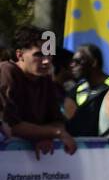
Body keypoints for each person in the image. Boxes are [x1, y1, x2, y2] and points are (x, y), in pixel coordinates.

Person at [0, 25, 78, 160]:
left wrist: (45, 135)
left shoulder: (45, 78)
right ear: (19, 55)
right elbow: (12, 126)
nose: (47, 61)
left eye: (49, 55)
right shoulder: (6, 71)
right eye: (39, 54)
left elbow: (57, 120)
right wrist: (55, 132)